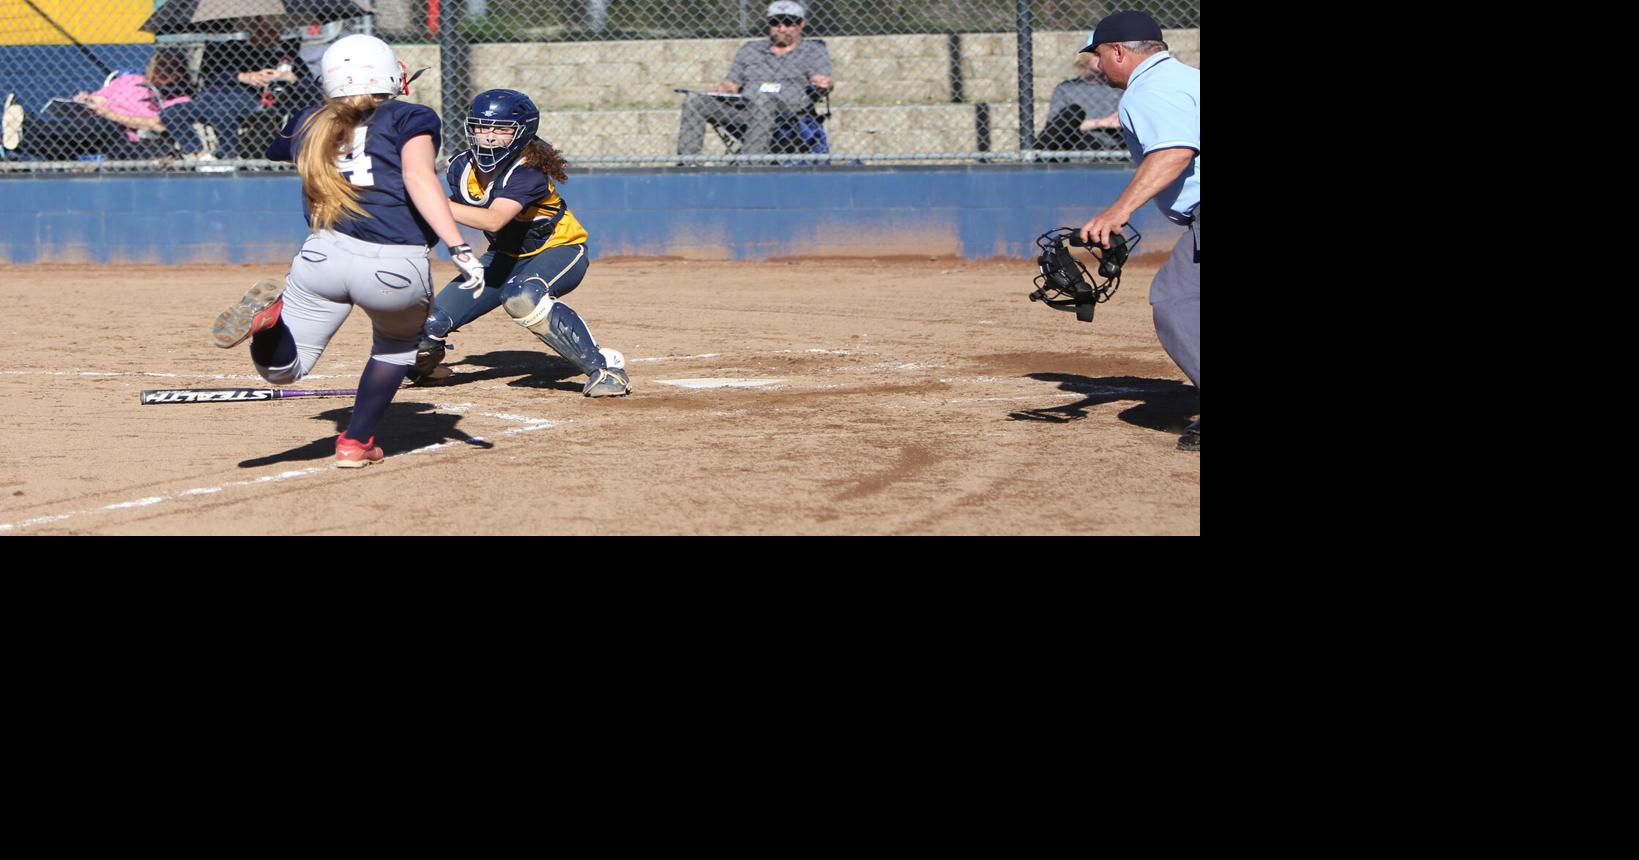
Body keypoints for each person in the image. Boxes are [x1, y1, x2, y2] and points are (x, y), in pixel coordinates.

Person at [209, 34, 485, 468]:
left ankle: (268, 325)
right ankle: (356, 442)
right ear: (389, 74)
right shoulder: (410, 116)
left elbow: (277, 147)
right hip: (393, 263)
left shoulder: (310, 119)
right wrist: (459, 246)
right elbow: (418, 178)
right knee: (396, 347)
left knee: (283, 372)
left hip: (322, 257)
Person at [408, 88, 630, 397]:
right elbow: (445, 216)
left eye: (501, 129)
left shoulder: (528, 170)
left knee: (522, 295)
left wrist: (425, 200)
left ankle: (605, 369)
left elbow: (493, 220)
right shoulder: (460, 167)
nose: (489, 137)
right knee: (426, 326)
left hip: (558, 248)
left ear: (522, 132)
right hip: (504, 256)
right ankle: (426, 371)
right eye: (481, 127)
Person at [1076, 10, 1200, 452]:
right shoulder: (1188, 78)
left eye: (1098, 55)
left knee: (1176, 300)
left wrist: (1118, 211)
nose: (1096, 65)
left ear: (1118, 51)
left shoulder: (1147, 90)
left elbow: (1174, 151)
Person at [676, 0, 832, 158]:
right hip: (745, 111)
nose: (782, 28)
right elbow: (731, 84)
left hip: (788, 116)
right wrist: (722, 89)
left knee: (763, 100)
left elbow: (821, 80)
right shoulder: (750, 49)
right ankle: (689, 162)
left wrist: (822, 84)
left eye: (789, 22)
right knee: (694, 101)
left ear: (801, 24)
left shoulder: (813, 50)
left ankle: (750, 163)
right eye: (775, 22)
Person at [1, 49, 191, 161]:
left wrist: (109, 115)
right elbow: (100, 99)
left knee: (106, 126)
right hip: (95, 132)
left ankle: (28, 126)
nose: (158, 73)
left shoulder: (180, 99)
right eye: (156, 66)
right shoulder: (130, 81)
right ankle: (22, 140)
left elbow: (157, 124)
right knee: (64, 143)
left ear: (178, 75)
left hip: (137, 145)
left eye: (167, 70)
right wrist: (87, 100)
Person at [161, 16, 305, 160]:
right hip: (210, 96)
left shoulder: (284, 53)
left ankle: (228, 156)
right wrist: (242, 76)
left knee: (221, 112)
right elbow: (210, 75)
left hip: (246, 97)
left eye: (272, 31)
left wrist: (285, 76)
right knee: (171, 113)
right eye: (259, 30)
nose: (265, 35)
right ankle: (202, 156)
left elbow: (304, 80)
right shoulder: (229, 46)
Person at [1037, 51, 1123, 154]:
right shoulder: (1067, 88)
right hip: (1076, 140)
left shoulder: (1118, 88)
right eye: (1096, 53)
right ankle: (1036, 153)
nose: (1100, 56)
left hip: (1109, 143)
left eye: (1102, 53)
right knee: (1074, 111)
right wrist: (1100, 123)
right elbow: (1056, 128)